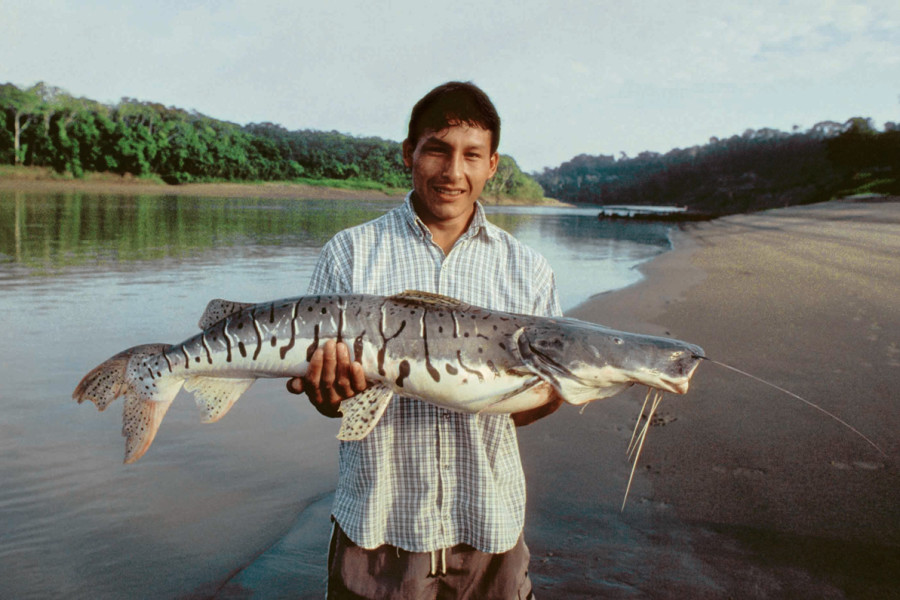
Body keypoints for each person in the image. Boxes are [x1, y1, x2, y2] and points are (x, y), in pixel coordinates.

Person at [287, 81, 563, 599]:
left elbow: (526, 410)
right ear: (408, 154)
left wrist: (558, 389)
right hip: (375, 530)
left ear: (492, 165)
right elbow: (330, 403)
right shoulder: (350, 253)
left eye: (471, 155)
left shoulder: (528, 270)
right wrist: (331, 395)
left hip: (491, 529)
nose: (453, 172)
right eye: (437, 149)